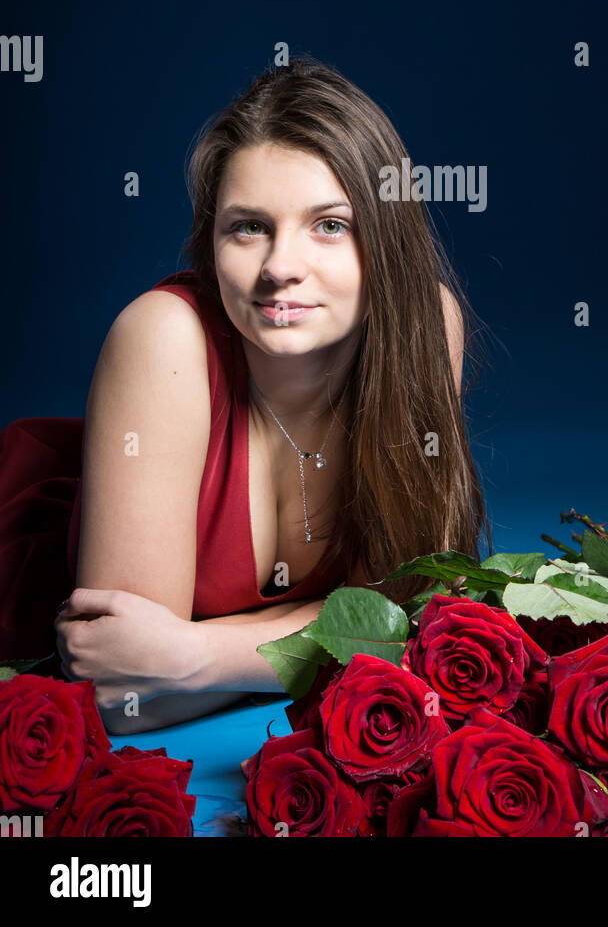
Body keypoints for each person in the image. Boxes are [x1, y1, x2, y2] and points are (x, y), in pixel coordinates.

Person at [0, 56, 492, 731]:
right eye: (248, 226)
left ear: (387, 242)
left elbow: (410, 619)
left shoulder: (424, 325)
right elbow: (127, 699)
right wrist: (340, 635)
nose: (281, 268)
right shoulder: (163, 338)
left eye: (330, 225)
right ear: (211, 243)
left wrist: (194, 654)